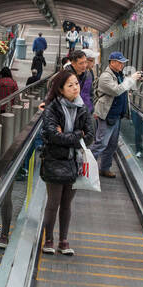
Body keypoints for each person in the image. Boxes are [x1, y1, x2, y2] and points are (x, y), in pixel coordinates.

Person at [38, 68, 95, 255]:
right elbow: (53, 136)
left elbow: (90, 136)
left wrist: (69, 136)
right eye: (70, 85)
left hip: (74, 161)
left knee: (67, 203)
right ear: (60, 89)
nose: (75, 88)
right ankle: (48, 240)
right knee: (53, 202)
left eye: (76, 84)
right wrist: (78, 135)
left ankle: (63, 240)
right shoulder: (52, 108)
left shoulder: (82, 108)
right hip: (55, 160)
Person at [91, 51, 143, 179]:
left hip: (117, 116)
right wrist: (131, 79)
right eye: (120, 63)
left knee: (112, 145)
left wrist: (138, 81)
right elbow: (116, 90)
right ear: (112, 62)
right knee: (101, 144)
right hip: (107, 115)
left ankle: (104, 168)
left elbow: (129, 88)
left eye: (123, 63)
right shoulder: (106, 76)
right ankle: (85, 169)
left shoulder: (119, 75)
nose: (122, 65)